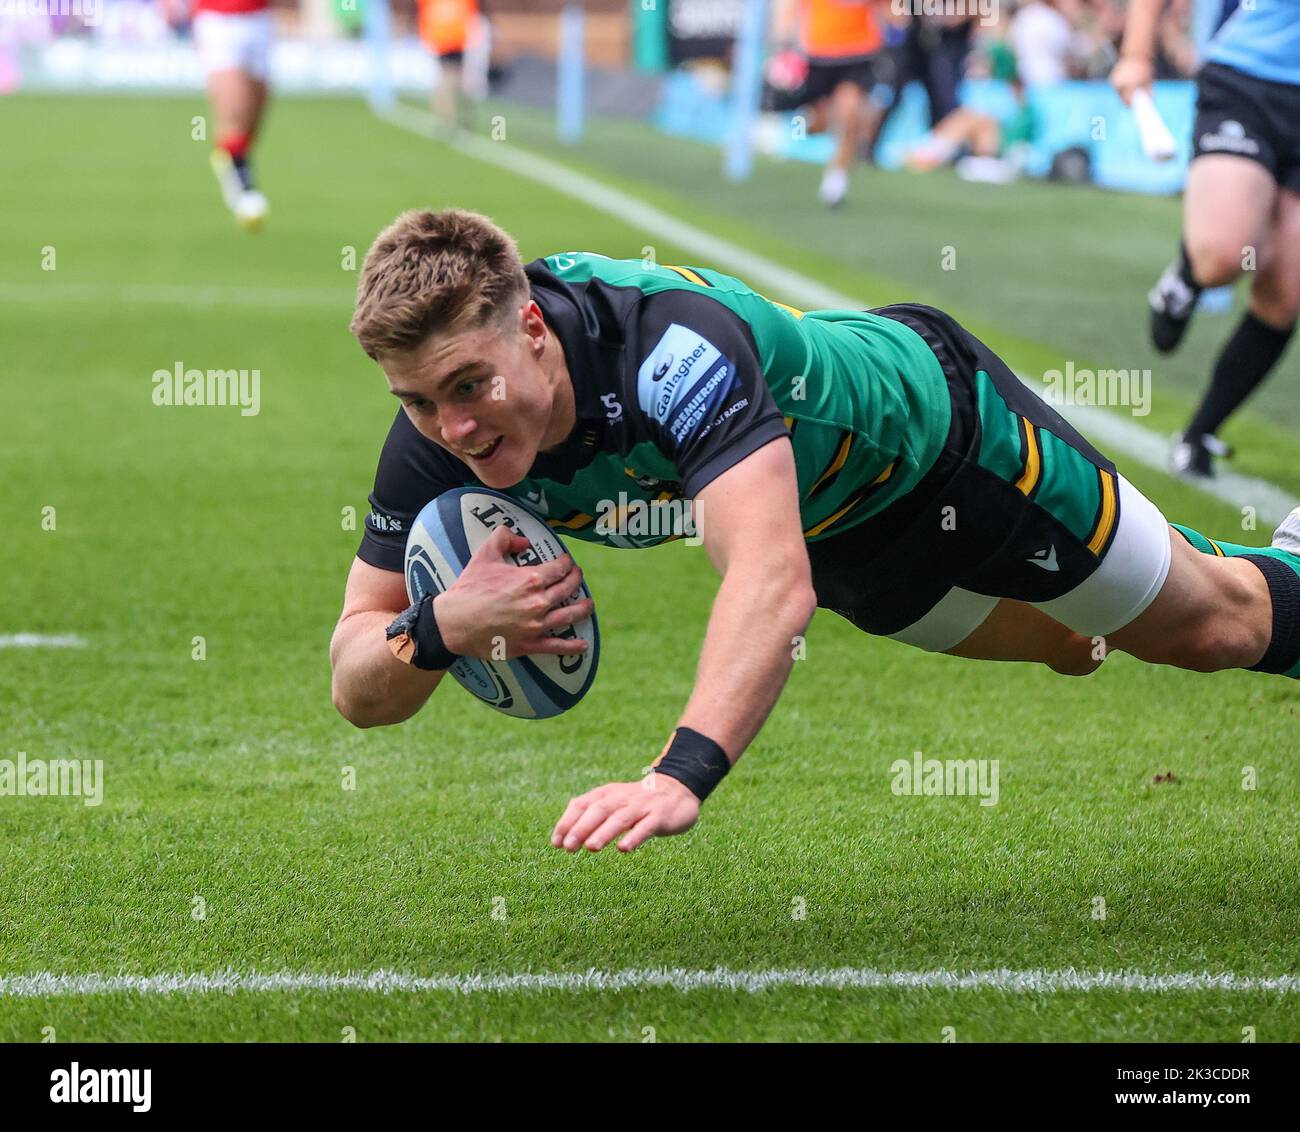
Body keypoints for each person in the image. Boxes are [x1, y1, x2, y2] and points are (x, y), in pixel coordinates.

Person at [331, 209, 1300, 855]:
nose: (452, 427)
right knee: (1076, 647)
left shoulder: (667, 347)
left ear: (533, 328)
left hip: (947, 446)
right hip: (851, 552)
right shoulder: (435, 440)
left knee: (1213, 630)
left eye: (469, 385)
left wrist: (681, 773)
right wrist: (435, 627)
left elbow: (765, 578)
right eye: (417, 401)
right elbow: (355, 678)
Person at [1111, 0, 1300, 478]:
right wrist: (1136, 53)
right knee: (1225, 256)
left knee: (1284, 292)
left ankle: (1199, 433)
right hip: (1250, 80)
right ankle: (1189, 273)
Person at [771, 0, 884, 207]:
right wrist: (783, 47)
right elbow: (789, 8)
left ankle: (837, 177)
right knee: (818, 120)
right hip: (820, 55)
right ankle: (800, 127)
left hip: (858, 53)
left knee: (850, 115)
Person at [184, 0, 272, 230]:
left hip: (260, 19)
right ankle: (245, 189)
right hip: (218, 20)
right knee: (234, 108)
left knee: (254, 111)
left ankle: (231, 158)